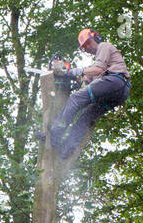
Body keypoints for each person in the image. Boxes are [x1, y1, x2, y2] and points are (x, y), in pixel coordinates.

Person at [49, 28, 130, 160]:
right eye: (84, 47)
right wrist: (80, 79)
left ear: (95, 38)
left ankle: (55, 134)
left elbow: (98, 69)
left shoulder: (104, 46)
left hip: (115, 81)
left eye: (88, 43)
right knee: (86, 115)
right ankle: (67, 148)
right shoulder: (97, 62)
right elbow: (89, 81)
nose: (87, 48)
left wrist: (77, 71)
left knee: (75, 99)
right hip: (119, 93)